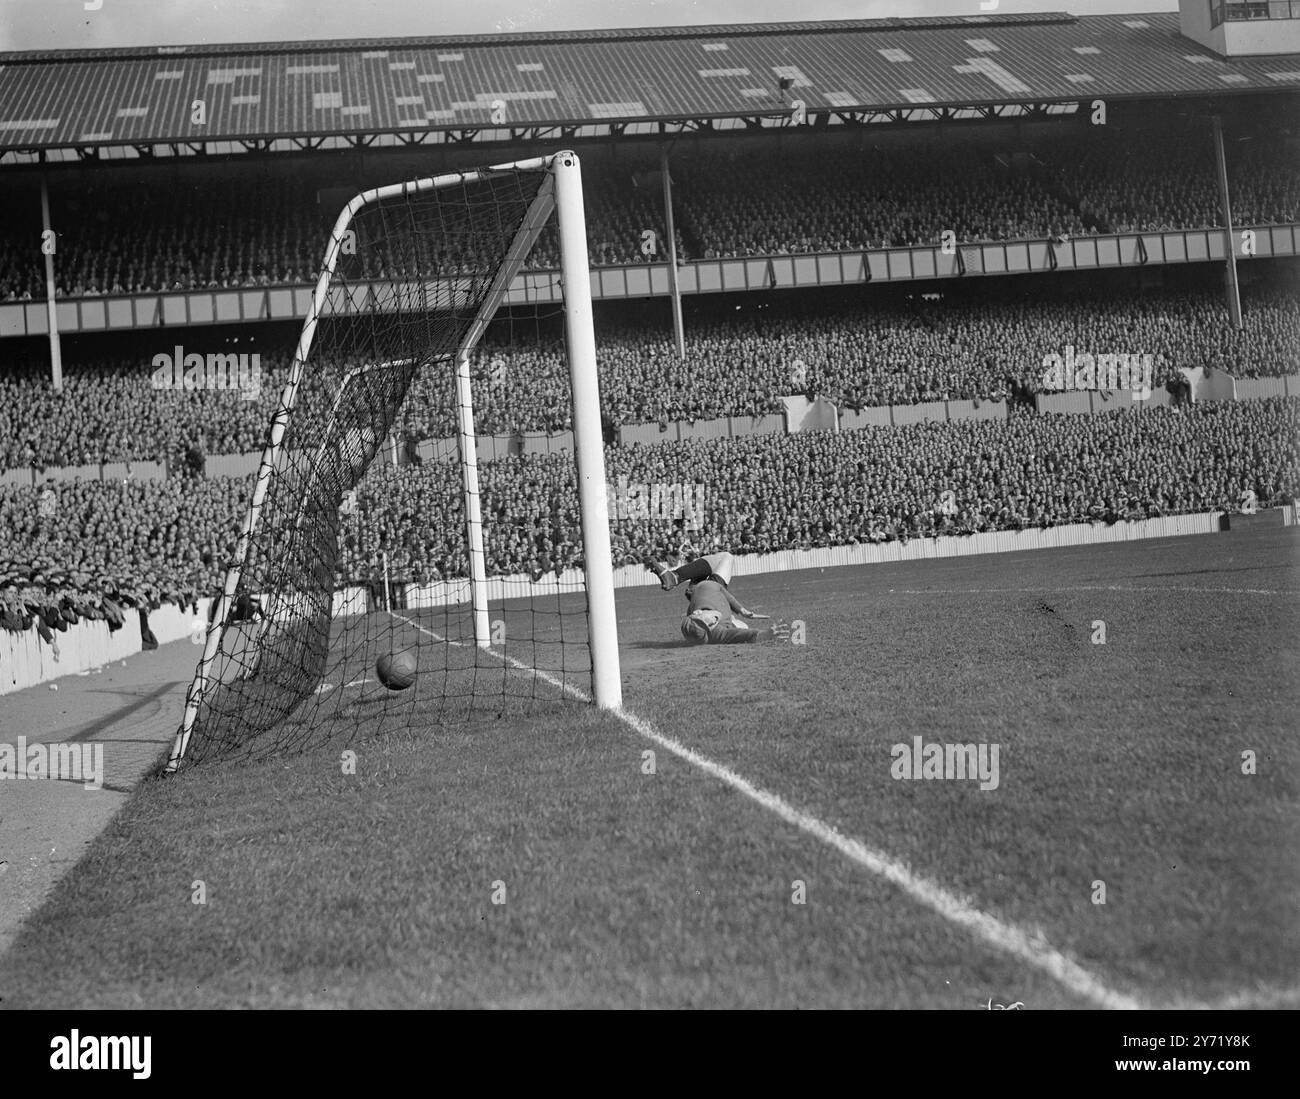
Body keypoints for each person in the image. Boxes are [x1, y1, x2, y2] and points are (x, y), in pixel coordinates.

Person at [643, 551, 790, 645]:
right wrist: (765, 634)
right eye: (710, 622)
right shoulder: (714, 633)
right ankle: (676, 576)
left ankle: (675, 576)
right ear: (711, 628)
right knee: (741, 626)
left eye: (706, 618)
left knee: (726, 557)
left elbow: (720, 589)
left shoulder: (707, 594)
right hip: (700, 594)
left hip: (702, 588)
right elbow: (740, 634)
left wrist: (741, 609)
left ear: (697, 613)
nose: (712, 620)